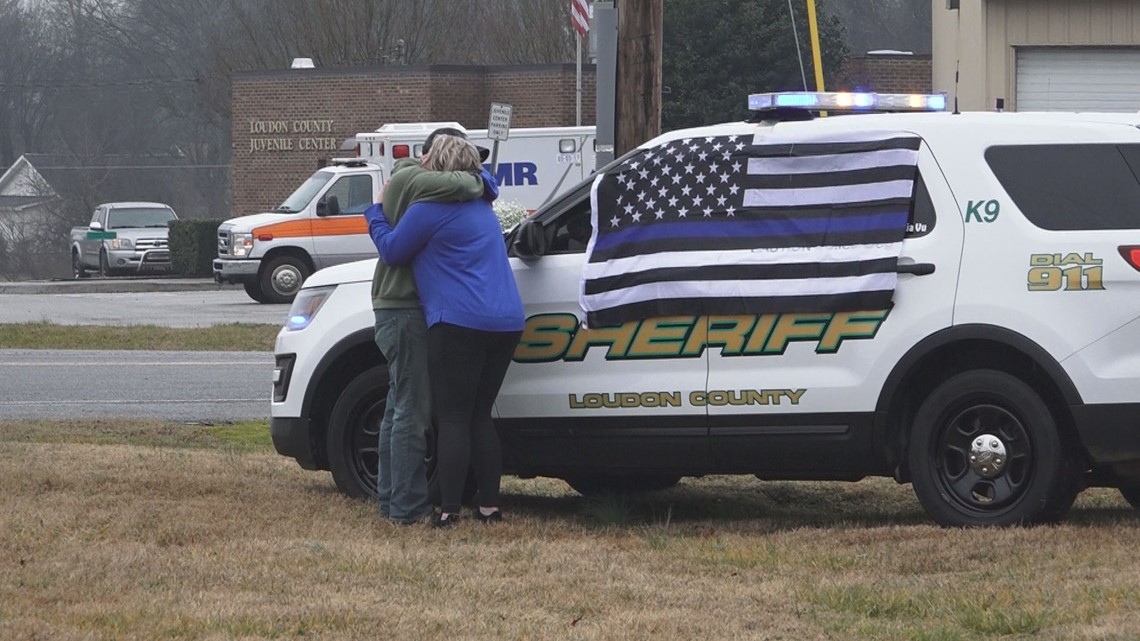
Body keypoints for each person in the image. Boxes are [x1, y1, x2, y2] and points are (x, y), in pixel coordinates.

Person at [365, 134, 524, 528]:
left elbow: (393, 251)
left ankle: (448, 510)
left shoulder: (429, 209)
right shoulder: (483, 205)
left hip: (459, 320)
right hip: (507, 320)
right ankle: (489, 507)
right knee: (480, 417)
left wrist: (373, 214)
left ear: (433, 163)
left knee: (452, 418)